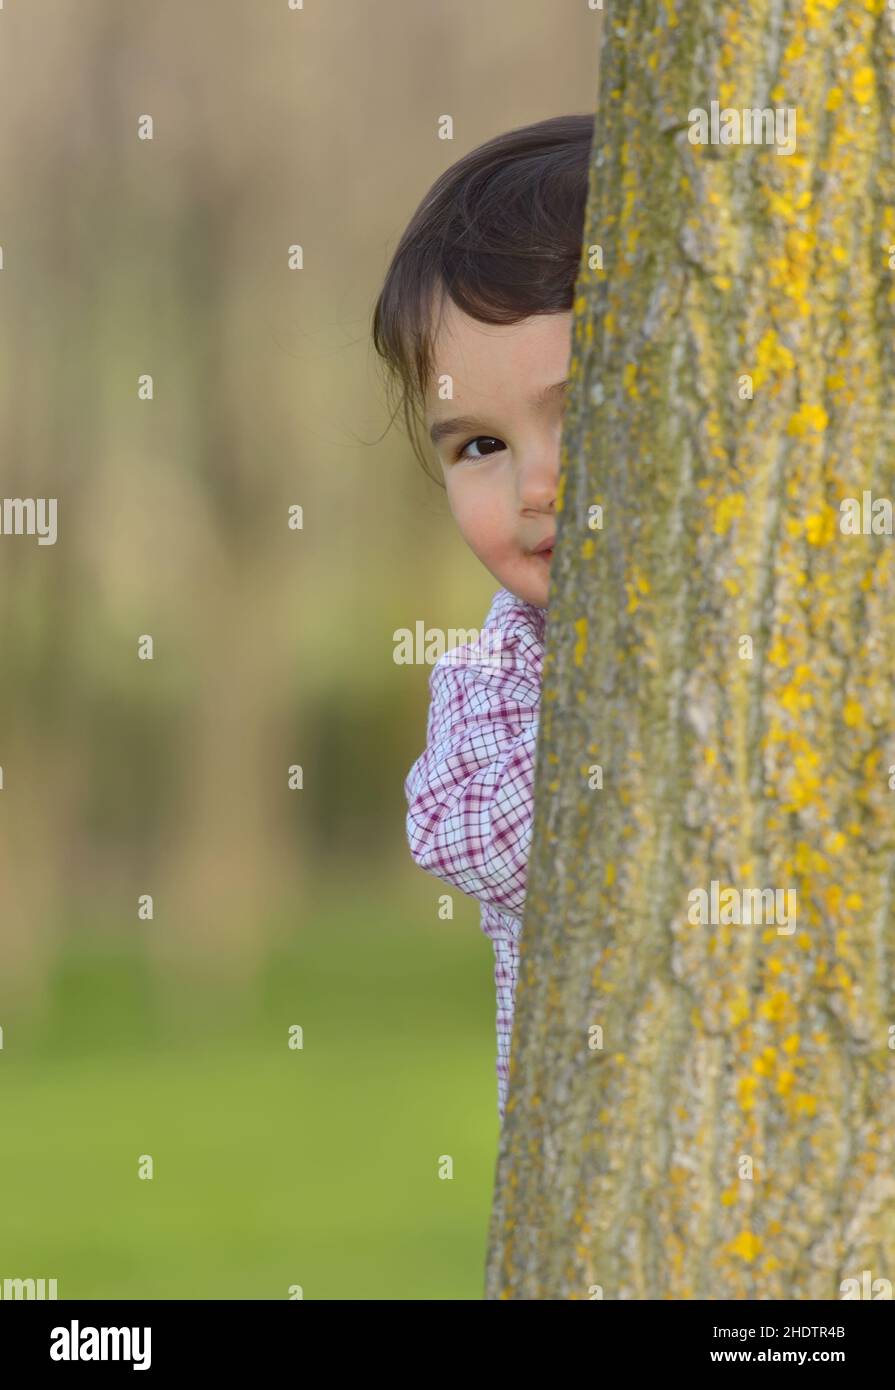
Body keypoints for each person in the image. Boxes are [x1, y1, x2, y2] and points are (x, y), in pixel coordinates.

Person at [372, 114, 593, 1122]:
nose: (535, 485)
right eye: (479, 448)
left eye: (581, 408)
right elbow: (470, 833)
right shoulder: (499, 673)